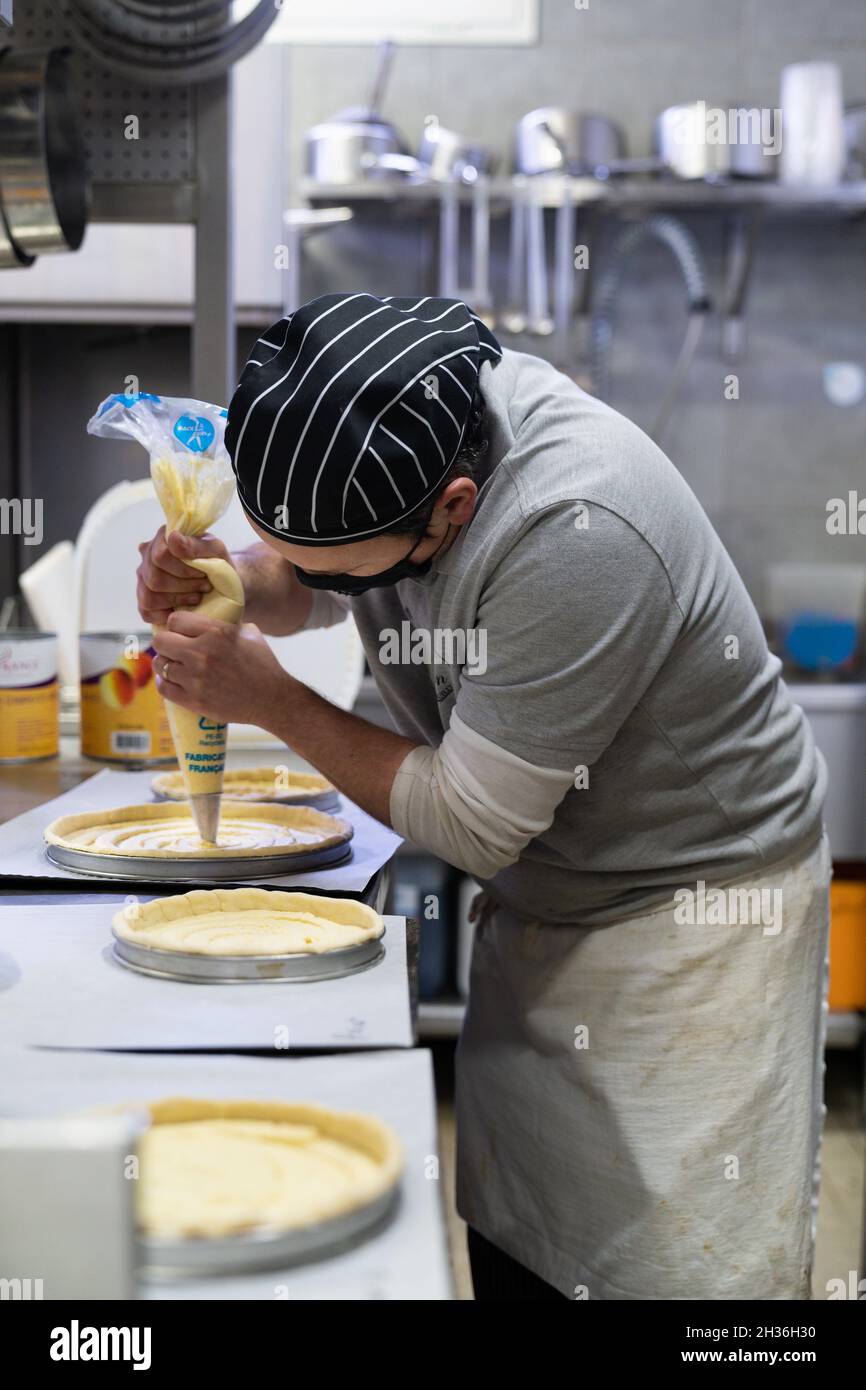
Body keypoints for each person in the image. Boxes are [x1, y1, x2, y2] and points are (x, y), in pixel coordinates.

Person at [138, 293, 829, 1300]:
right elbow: (319, 576)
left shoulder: (578, 530)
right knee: (528, 1231)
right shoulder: (387, 426)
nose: (306, 568)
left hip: (688, 913)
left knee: (677, 1269)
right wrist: (235, 576)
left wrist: (268, 699)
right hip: (554, 884)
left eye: (335, 555)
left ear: (453, 508)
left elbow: (469, 819)